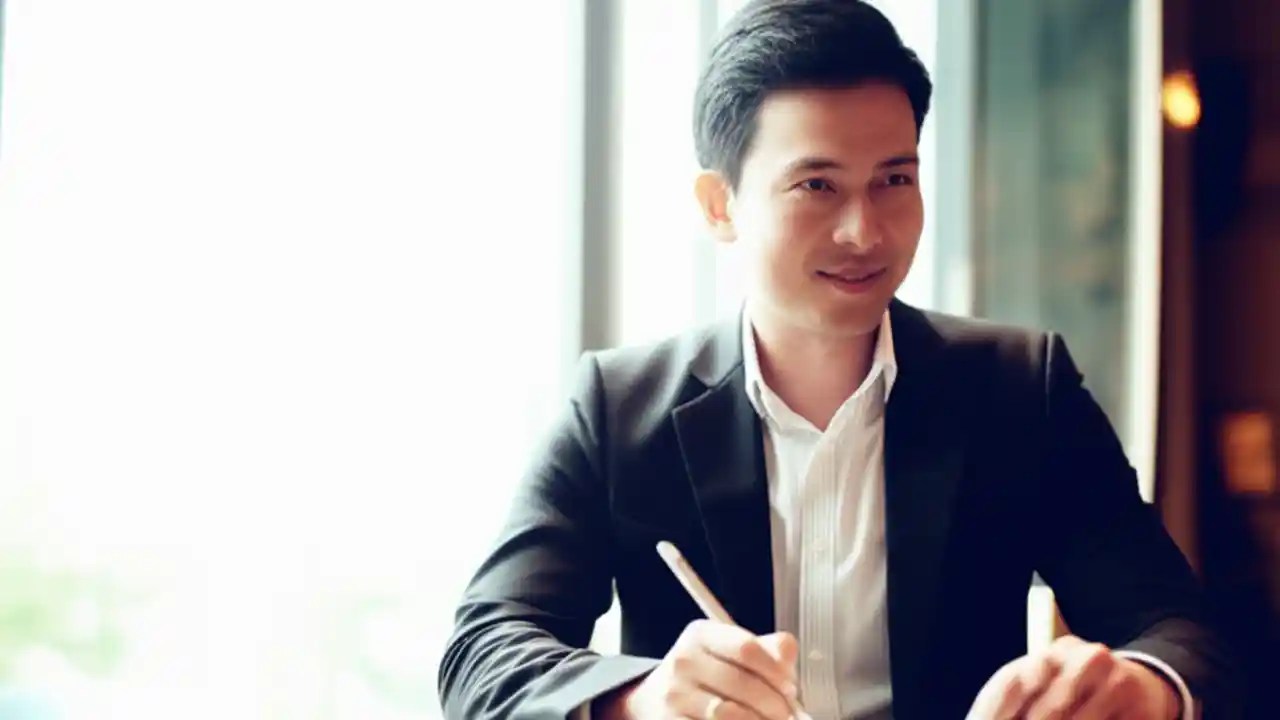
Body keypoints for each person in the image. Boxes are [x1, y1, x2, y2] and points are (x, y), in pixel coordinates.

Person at [437, 1, 1234, 718]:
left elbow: (1176, 628)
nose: (865, 230)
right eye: (817, 186)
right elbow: (484, 651)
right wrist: (637, 704)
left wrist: (1145, 687)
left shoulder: (1021, 389)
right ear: (721, 207)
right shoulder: (618, 406)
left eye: (894, 178)